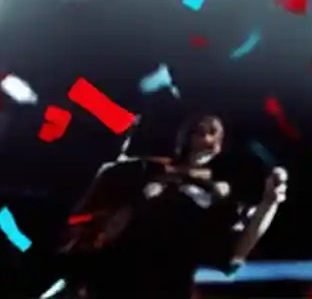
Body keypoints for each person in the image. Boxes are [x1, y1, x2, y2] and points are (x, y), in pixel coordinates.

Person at [59, 114, 287, 298]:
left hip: (163, 283)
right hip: (111, 276)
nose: (204, 137)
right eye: (197, 130)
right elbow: (89, 214)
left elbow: (236, 253)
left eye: (211, 132)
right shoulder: (143, 170)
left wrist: (270, 203)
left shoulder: (215, 196)